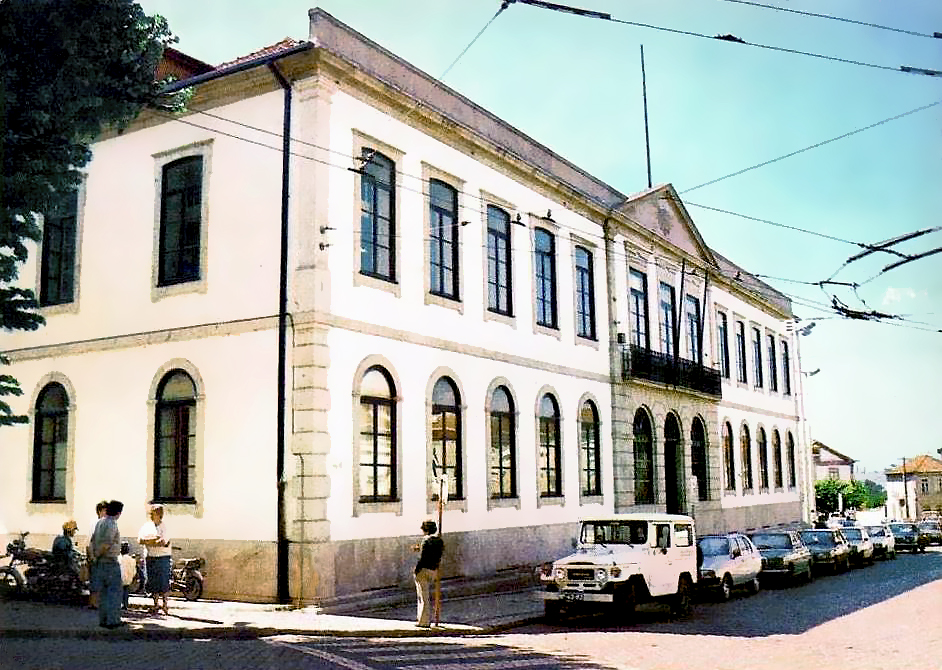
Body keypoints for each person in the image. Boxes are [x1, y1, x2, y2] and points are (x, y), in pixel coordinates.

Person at [89, 499, 124, 629]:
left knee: (103, 593)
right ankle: (113, 620)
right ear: (118, 512)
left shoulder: (99, 522)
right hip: (110, 561)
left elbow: (92, 541)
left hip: (100, 562)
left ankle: (103, 619)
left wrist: (94, 556)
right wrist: (98, 554)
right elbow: (107, 543)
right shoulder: (112, 524)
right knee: (114, 592)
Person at [138, 503, 172, 615]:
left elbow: (163, 542)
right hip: (150, 557)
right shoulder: (147, 526)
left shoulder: (165, 527)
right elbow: (140, 540)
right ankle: (156, 604)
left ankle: (165, 605)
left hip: (163, 558)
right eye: (151, 514)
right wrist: (154, 540)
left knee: (163, 582)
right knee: (152, 582)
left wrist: (149, 541)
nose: (151, 516)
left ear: (159, 515)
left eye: (153, 514)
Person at [412, 520, 444, 628]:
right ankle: (426, 619)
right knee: (427, 595)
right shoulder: (439, 541)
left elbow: (423, 558)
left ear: (426, 530)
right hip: (434, 570)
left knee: (423, 596)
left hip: (423, 570)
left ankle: (423, 621)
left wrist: (416, 570)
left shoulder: (425, 540)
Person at [87, 500, 109, 609]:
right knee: (95, 579)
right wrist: (92, 556)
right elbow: (90, 541)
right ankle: (93, 602)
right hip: (96, 554)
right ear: (100, 511)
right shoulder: (95, 523)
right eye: (105, 511)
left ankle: (98, 602)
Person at [118, 542, 137, 611]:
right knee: (126, 591)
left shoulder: (118, 559)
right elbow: (134, 571)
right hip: (128, 579)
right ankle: (125, 604)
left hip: (119, 578)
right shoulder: (132, 560)